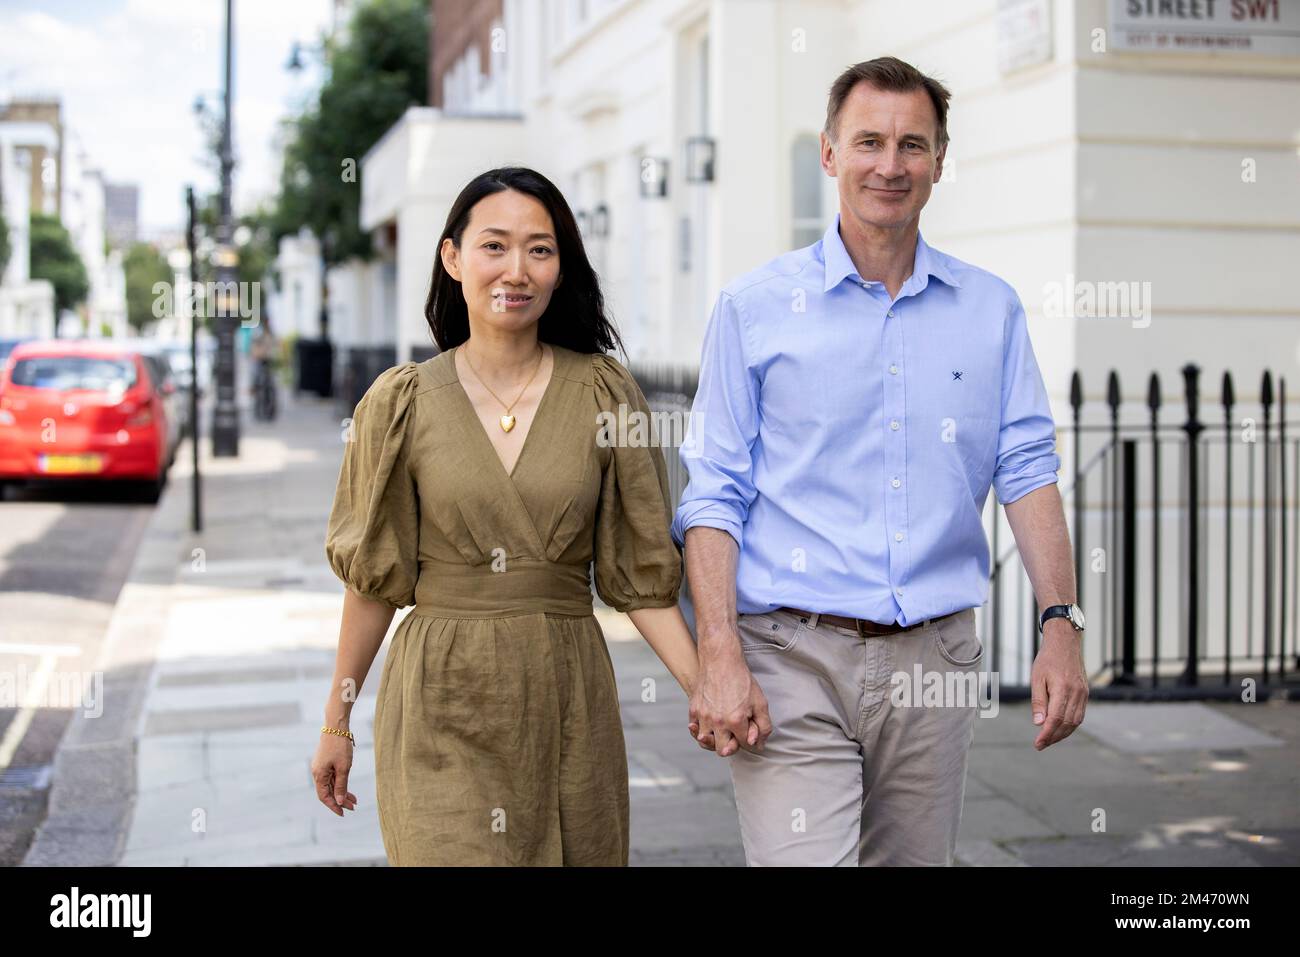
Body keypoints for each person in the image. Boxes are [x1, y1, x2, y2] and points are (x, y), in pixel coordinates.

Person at [674, 56, 1089, 866]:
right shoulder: (754, 310)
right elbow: (714, 495)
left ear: (939, 161)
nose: (889, 165)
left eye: (912, 145)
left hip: (935, 661)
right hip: (790, 655)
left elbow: (1028, 466)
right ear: (829, 153)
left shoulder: (990, 309)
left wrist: (1060, 622)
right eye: (868, 141)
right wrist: (717, 654)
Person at [314, 167, 702, 866]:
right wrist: (337, 719)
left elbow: (641, 575)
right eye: (494, 246)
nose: (516, 270)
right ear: (453, 258)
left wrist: (708, 686)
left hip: (568, 695)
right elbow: (373, 579)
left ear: (560, 269)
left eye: (540, 249)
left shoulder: (606, 395)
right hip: (439, 696)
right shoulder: (399, 404)